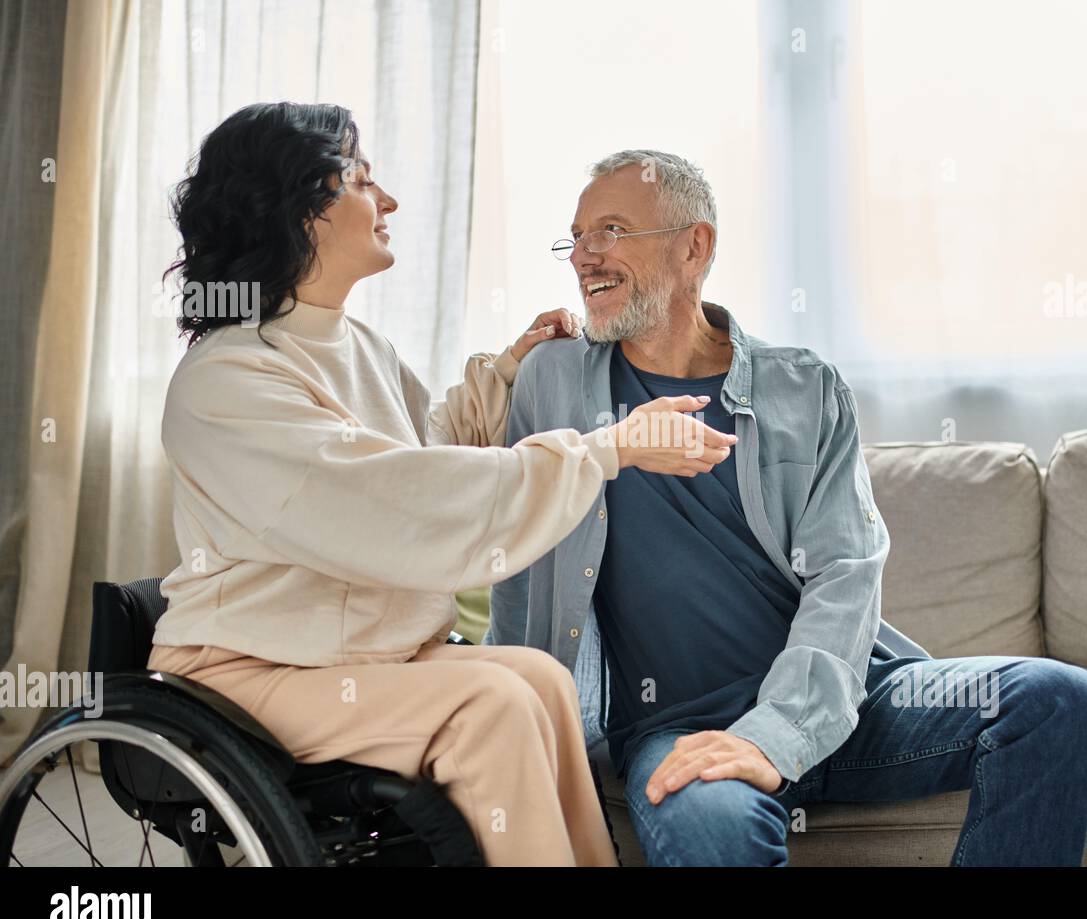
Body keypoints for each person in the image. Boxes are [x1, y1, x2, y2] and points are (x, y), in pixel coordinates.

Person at [486, 148, 1087, 866]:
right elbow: (514, 544)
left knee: (1061, 698)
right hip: (681, 731)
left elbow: (846, 573)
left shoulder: (804, 388)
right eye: (576, 236)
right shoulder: (553, 379)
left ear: (696, 247)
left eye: (609, 230)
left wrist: (775, 734)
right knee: (709, 828)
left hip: (852, 702)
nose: (582, 257)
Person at [145, 105, 738, 867]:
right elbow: (391, 502)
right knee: (490, 706)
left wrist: (508, 369)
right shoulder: (225, 380)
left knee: (541, 681)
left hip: (349, 657)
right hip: (248, 673)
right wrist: (603, 451)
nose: (387, 202)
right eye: (362, 181)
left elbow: (418, 446)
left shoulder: (351, 341)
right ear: (301, 213)